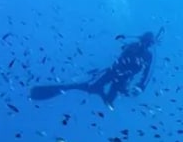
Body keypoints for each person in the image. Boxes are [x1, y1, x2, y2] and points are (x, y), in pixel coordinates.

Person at [29, 30, 159, 109]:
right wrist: (134, 83)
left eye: (148, 43)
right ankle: (68, 87)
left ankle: (84, 89)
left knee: (109, 100)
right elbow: (119, 61)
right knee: (92, 88)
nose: (146, 44)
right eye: (146, 42)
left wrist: (140, 87)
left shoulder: (148, 56)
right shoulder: (132, 47)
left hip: (122, 80)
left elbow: (146, 74)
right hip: (112, 73)